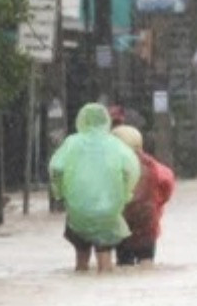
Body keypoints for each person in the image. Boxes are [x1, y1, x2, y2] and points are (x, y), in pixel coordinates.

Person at [48, 103, 140, 274]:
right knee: (105, 262)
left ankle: (81, 280)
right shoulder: (116, 145)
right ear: (106, 121)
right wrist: (125, 194)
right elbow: (132, 168)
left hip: (78, 210)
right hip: (108, 210)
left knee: (81, 260)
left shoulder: (71, 143)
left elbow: (56, 169)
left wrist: (59, 192)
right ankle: (104, 292)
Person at [112, 125, 176, 267]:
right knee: (146, 263)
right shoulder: (153, 165)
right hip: (148, 225)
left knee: (124, 265)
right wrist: (158, 202)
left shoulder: (111, 167)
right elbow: (168, 183)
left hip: (121, 226)